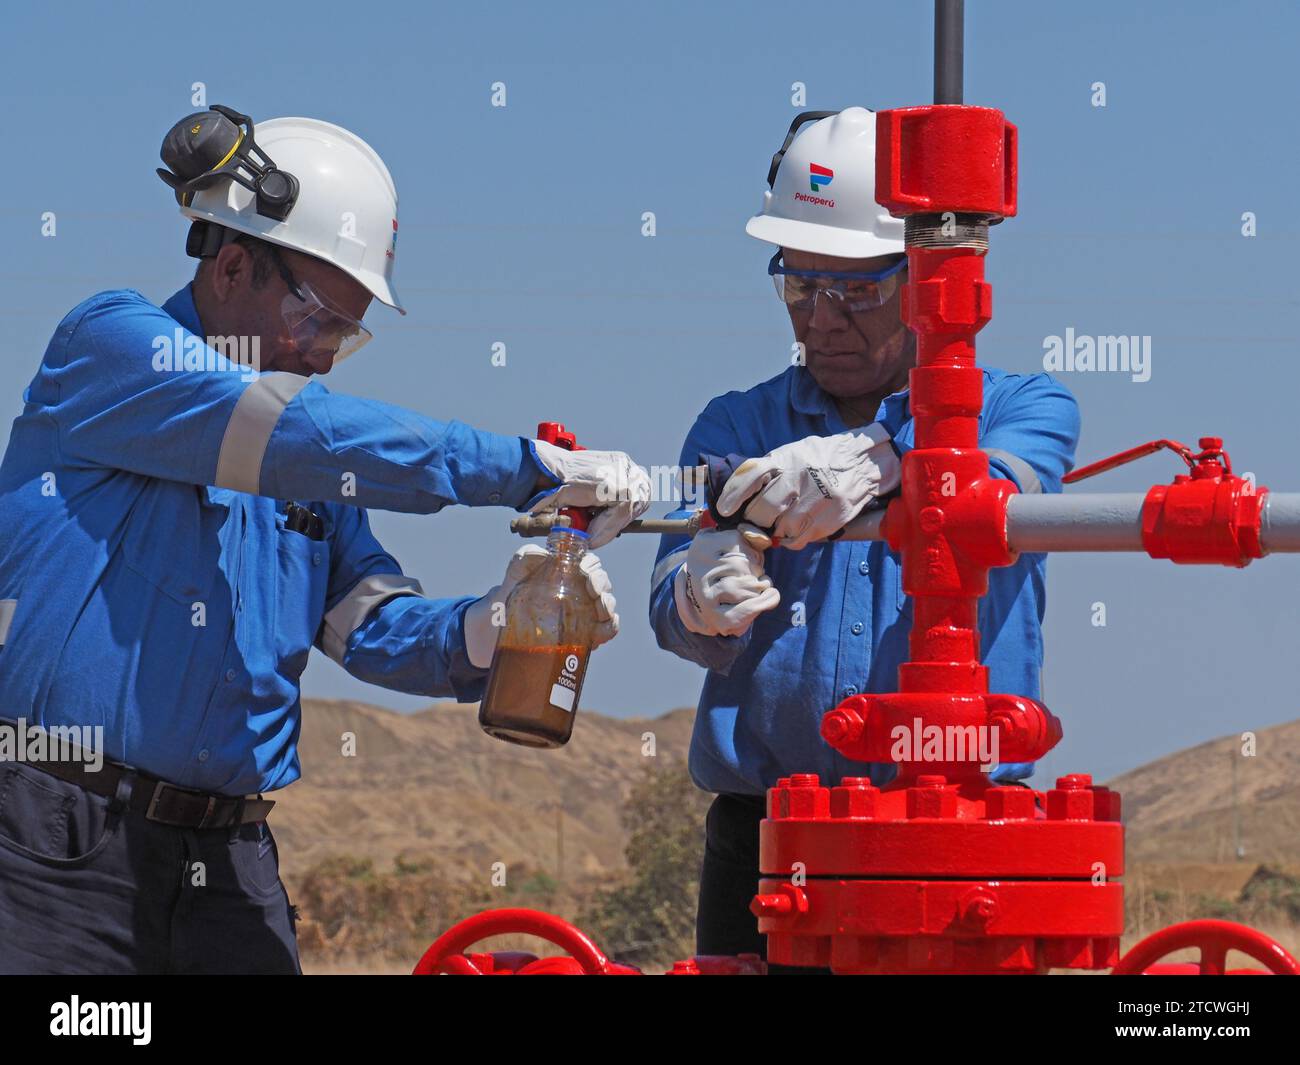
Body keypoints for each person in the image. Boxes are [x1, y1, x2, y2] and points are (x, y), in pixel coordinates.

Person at [0, 106, 650, 974]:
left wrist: (495, 623)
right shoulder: (115, 350)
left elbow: (373, 626)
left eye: (347, 331)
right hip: (62, 846)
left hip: (227, 863)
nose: (328, 353)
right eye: (317, 321)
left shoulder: (308, 470)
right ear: (232, 264)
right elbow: (295, 435)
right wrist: (526, 467)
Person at [648, 107, 1080, 965]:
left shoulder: (1024, 408)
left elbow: (1001, 484)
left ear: (926, 277)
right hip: (766, 841)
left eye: (854, 289)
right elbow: (667, 607)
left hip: (949, 846)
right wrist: (697, 598)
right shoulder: (735, 424)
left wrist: (887, 457)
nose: (821, 318)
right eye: (799, 286)